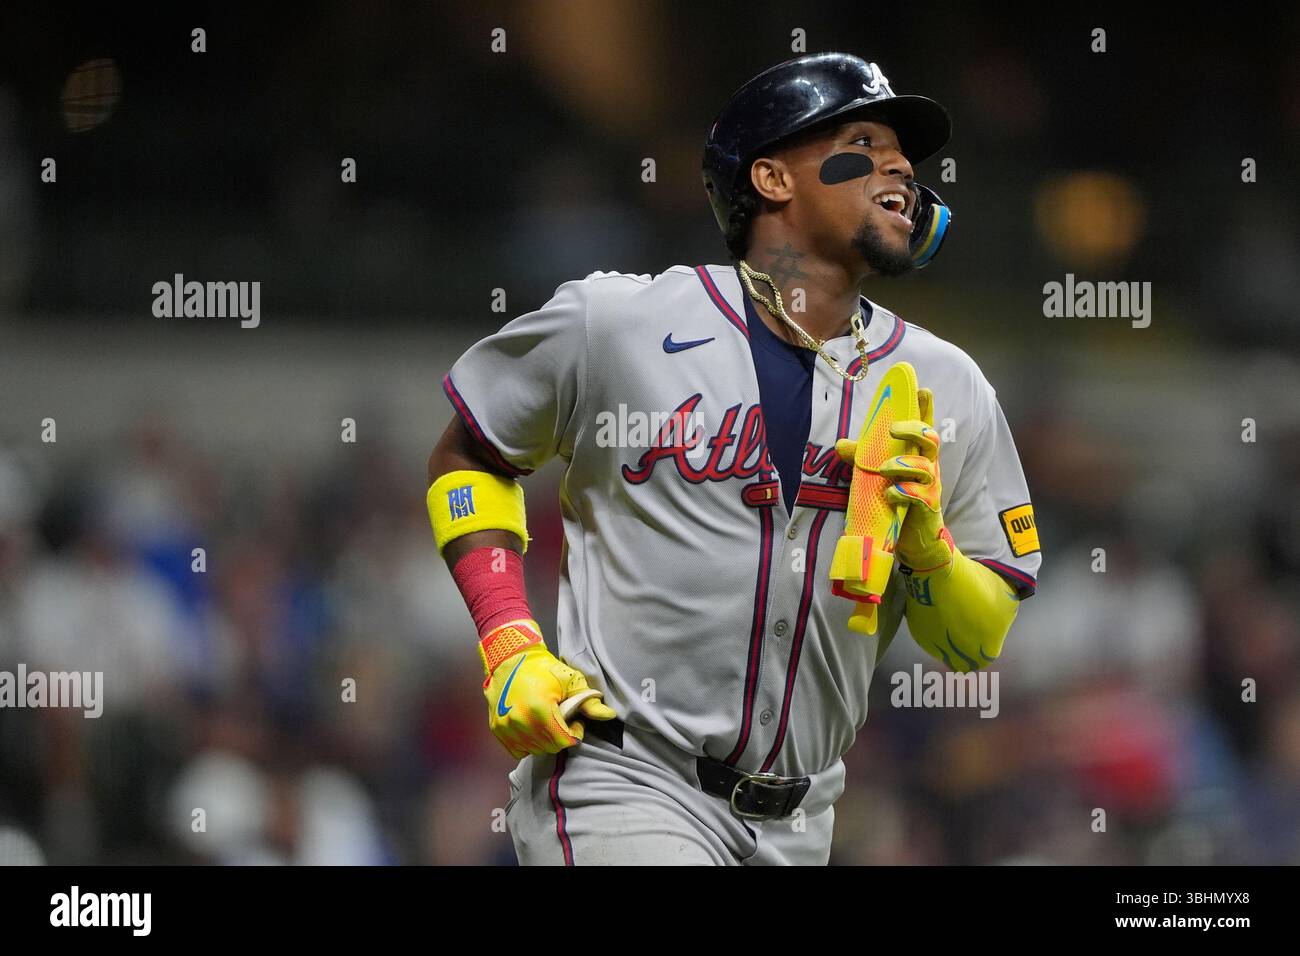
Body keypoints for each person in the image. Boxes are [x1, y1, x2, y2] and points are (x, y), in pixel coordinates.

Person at [425, 52, 1041, 865]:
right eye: (863, 141)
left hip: (805, 818)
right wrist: (509, 640)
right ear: (773, 179)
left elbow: (976, 638)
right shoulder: (617, 323)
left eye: (905, 156)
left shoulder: (946, 384)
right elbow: (471, 452)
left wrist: (928, 553)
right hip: (626, 779)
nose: (899, 165)